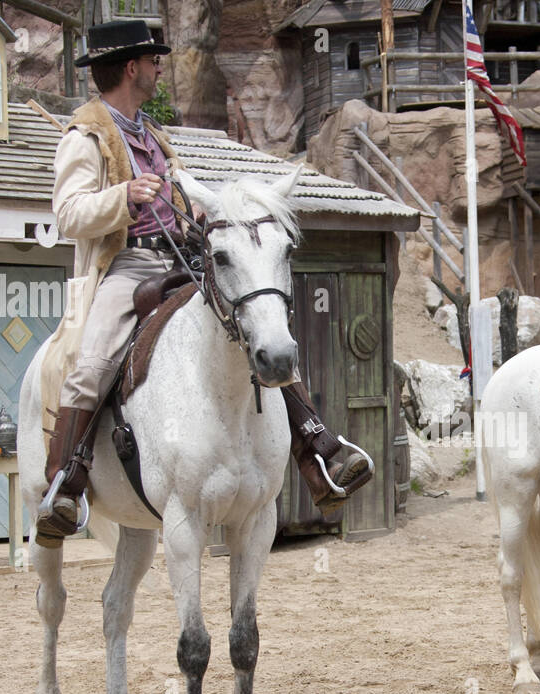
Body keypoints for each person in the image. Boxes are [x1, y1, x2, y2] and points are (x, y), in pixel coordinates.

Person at [39, 19, 369, 540]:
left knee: (256, 327)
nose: (159, 68)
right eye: (153, 61)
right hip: (123, 267)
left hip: (180, 264)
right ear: (131, 67)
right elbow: (68, 214)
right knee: (92, 364)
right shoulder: (84, 138)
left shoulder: (153, 135)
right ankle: (65, 482)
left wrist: (189, 207)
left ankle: (317, 449)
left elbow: (176, 206)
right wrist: (124, 197)